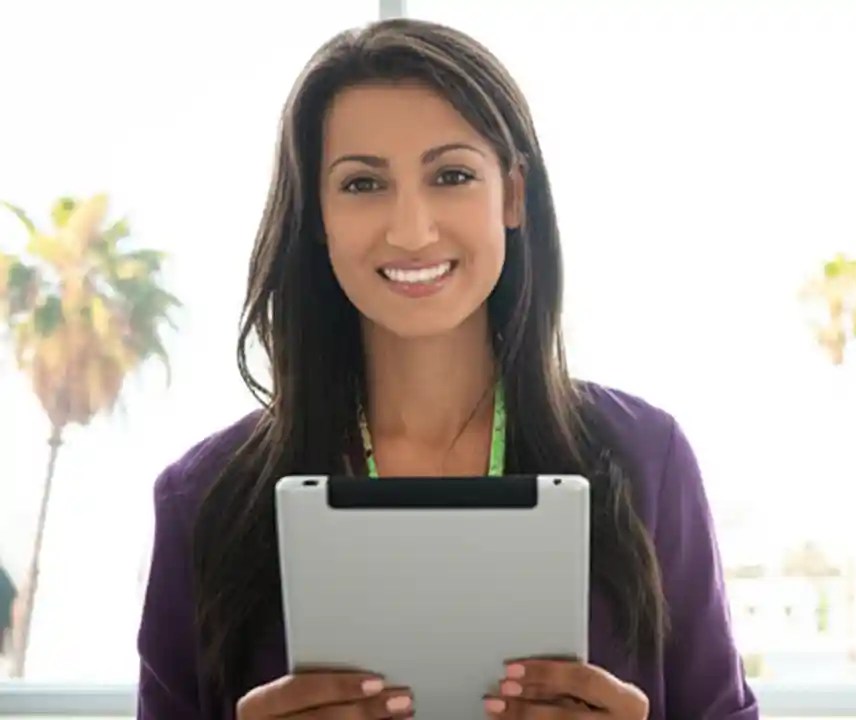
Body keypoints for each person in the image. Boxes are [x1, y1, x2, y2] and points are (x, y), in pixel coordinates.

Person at [135, 18, 758, 720]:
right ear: (318, 217)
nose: (411, 229)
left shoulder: (646, 459)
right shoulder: (204, 500)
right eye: (363, 183)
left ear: (513, 195)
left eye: (452, 175)